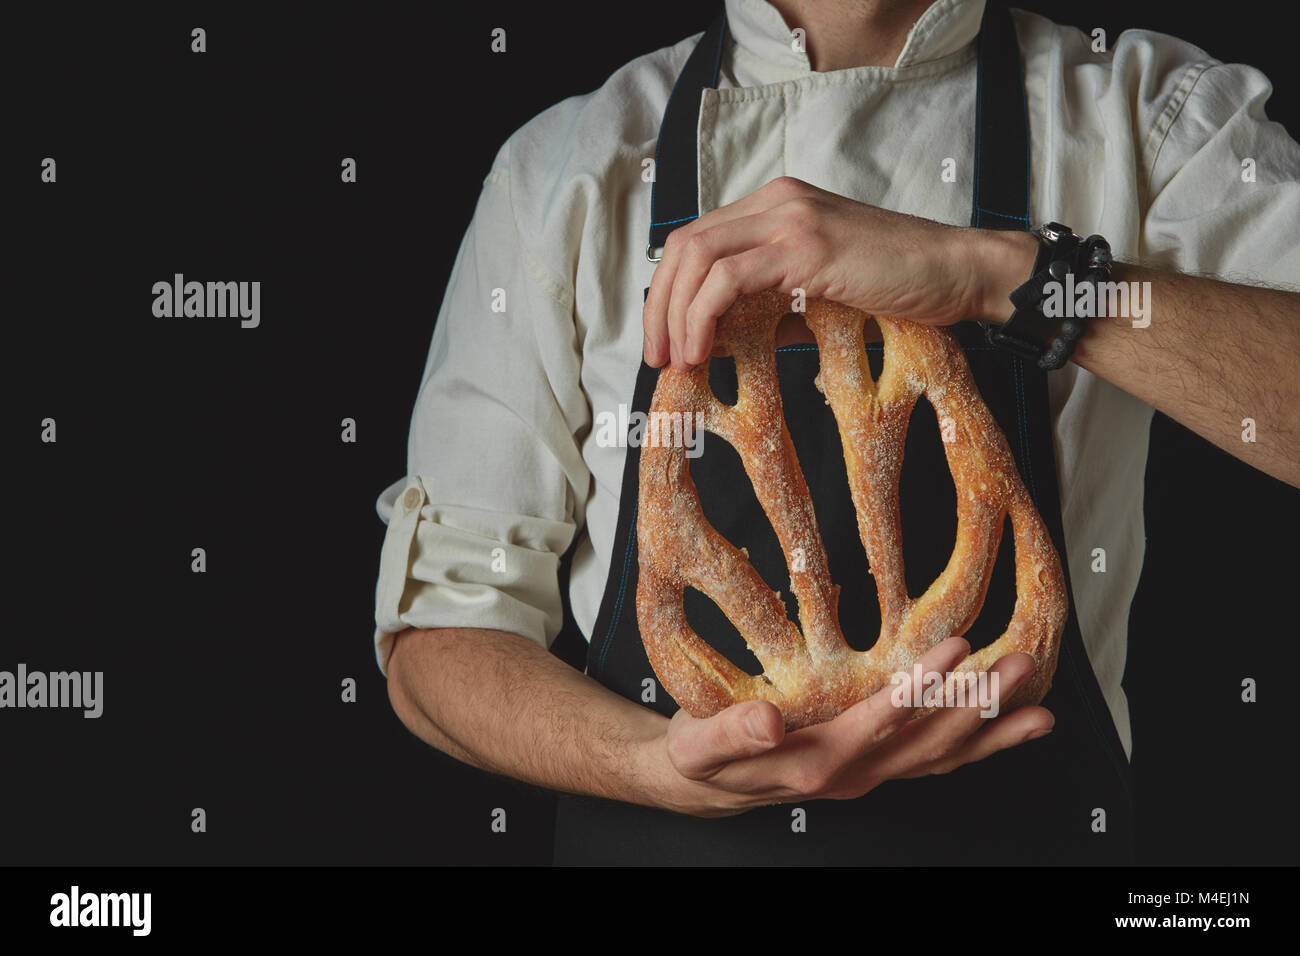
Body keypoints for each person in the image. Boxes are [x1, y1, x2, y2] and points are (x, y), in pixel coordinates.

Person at [372, 0, 1300, 863]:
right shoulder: (566, 170)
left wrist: (1002, 277)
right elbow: (442, 639)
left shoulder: (1151, 119)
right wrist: (657, 769)